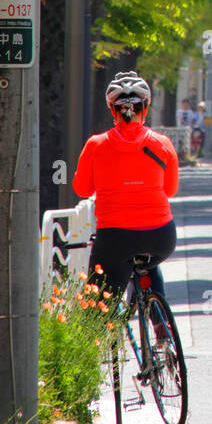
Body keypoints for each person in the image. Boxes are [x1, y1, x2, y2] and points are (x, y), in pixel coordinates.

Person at [73, 71, 179, 307]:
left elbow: (81, 189)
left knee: (99, 306)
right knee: (148, 264)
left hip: (115, 237)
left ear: (113, 110)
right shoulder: (163, 143)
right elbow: (170, 190)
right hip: (161, 236)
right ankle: (161, 328)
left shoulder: (96, 144)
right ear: (146, 108)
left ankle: (102, 333)